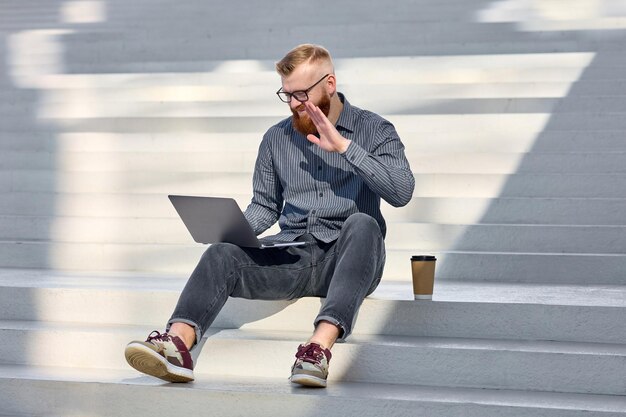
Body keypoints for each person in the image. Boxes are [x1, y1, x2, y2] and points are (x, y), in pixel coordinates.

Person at [124, 44, 415, 388]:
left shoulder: (375, 129)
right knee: (221, 253)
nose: (294, 104)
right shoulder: (276, 139)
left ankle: (317, 351)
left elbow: (401, 192)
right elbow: (265, 207)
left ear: (330, 84)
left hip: (351, 257)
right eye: (287, 94)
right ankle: (177, 346)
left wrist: (344, 148)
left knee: (362, 223)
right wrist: (232, 230)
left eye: (303, 94)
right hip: (295, 255)